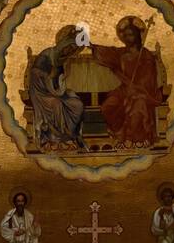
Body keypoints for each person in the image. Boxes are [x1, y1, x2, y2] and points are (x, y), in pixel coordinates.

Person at [90, 15, 164, 146]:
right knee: (108, 105)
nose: (127, 38)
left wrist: (136, 89)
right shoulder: (121, 53)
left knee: (137, 107)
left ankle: (135, 138)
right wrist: (92, 46)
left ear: (137, 36)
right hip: (124, 90)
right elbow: (108, 53)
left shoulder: (145, 55)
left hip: (143, 92)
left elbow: (149, 78)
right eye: (125, 35)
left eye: (130, 34)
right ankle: (118, 133)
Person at [28, 25, 86, 149]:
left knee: (77, 104)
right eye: (69, 47)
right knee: (56, 104)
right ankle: (57, 137)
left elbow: (60, 80)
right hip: (40, 91)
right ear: (63, 43)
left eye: (73, 50)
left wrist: (61, 82)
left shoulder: (64, 61)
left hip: (54, 91)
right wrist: (49, 75)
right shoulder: (48, 54)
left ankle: (73, 134)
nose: (69, 51)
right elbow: (35, 72)